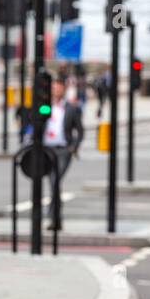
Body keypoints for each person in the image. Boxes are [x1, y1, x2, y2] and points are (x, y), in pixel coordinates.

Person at [43, 77, 84, 213]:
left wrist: (74, 147)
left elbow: (80, 130)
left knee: (56, 178)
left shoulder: (71, 108)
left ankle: (52, 210)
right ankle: (56, 211)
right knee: (52, 180)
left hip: (63, 150)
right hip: (47, 149)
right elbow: (35, 122)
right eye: (53, 87)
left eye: (58, 87)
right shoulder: (45, 106)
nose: (56, 90)